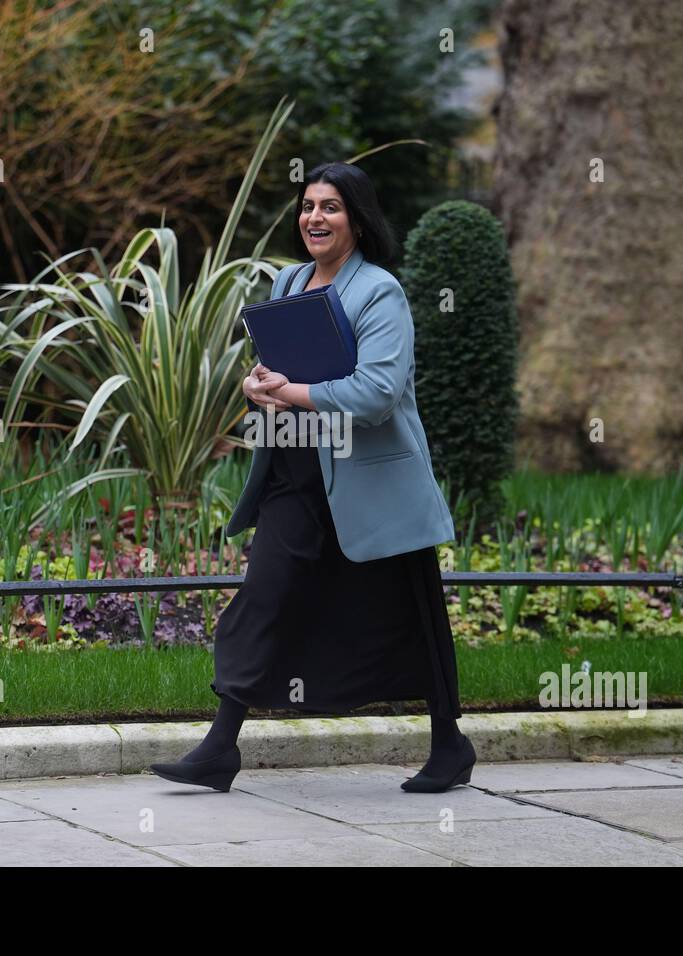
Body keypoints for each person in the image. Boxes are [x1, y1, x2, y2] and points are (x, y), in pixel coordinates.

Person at [150, 162, 475, 794]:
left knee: (413, 613)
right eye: (307, 206)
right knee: (266, 593)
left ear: (356, 219)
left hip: (372, 483)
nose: (314, 217)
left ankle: (449, 743)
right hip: (297, 473)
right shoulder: (289, 279)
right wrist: (256, 385)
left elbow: (379, 393)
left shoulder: (380, 292)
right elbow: (277, 368)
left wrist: (293, 391)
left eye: (330, 207)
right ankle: (220, 747)